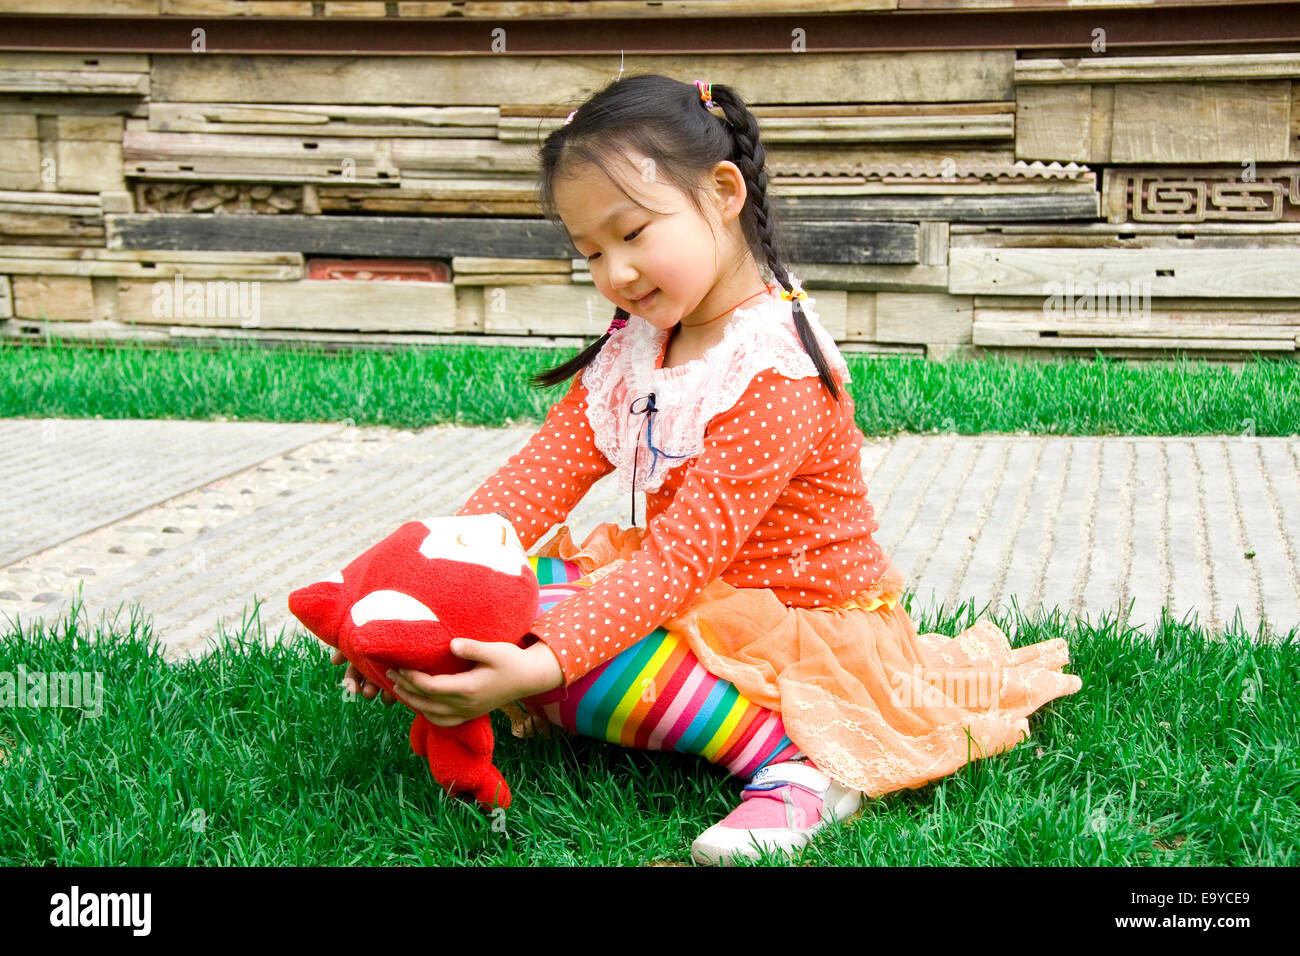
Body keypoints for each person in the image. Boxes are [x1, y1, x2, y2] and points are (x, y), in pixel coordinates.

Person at [336, 74, 1084, 865]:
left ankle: (798, 766)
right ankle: (585, 679)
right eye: (591, 250)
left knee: (565, 648)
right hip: (694, 596)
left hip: (796, 624)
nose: (615, 272)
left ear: (723, 192)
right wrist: (428, 598)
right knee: (516, 593)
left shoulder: (776, 370)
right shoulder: (638, 347)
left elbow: (677, 560)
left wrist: (535, 660)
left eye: (633, 233)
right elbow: (531, 482)